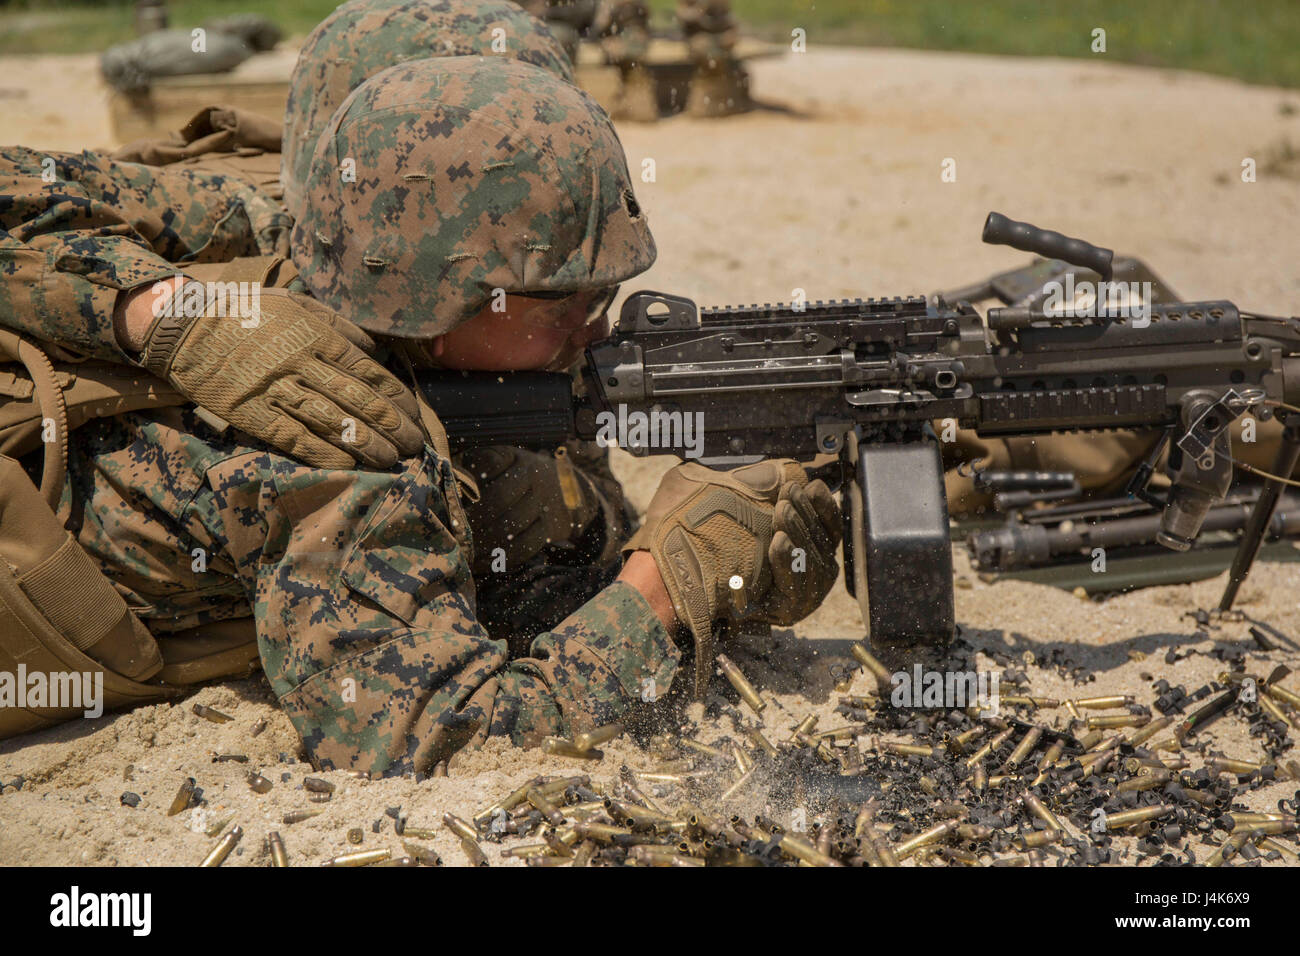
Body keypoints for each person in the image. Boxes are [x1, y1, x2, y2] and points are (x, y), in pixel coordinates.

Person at [0, 56, 840, 774]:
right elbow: (435, 739)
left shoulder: (362, 240)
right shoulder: (337, 446)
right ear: (432, 295)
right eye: (561, 301)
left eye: (608, 291)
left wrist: (732, 561)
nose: (594, 324)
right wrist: (663, 586)